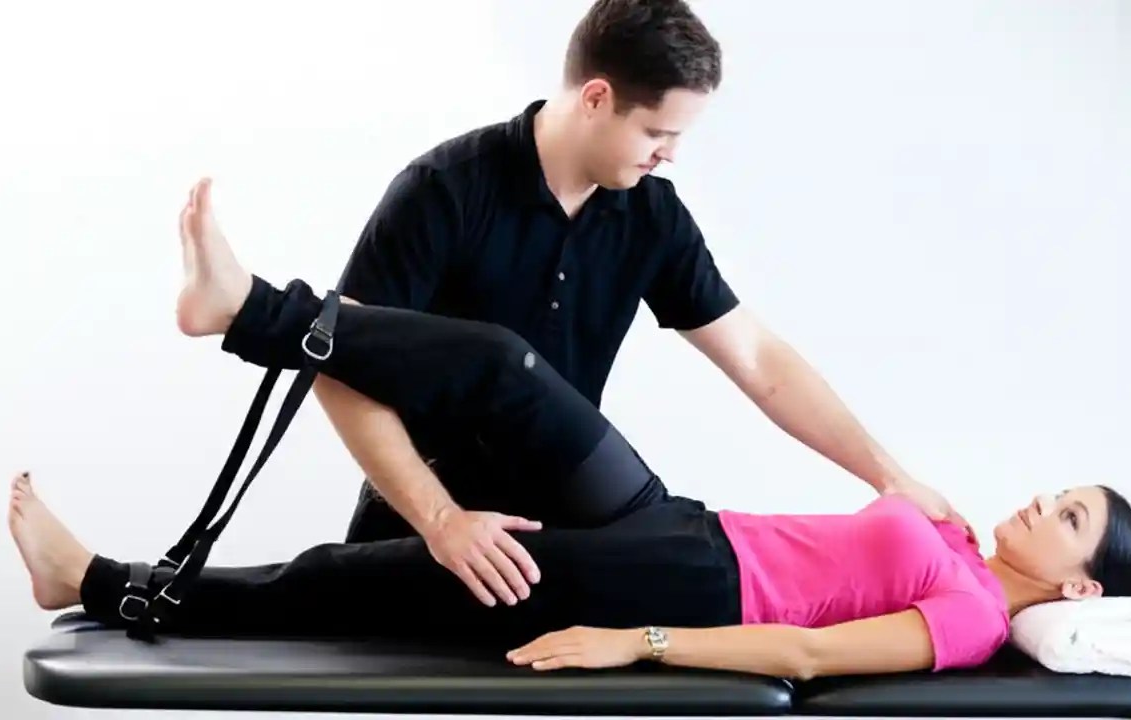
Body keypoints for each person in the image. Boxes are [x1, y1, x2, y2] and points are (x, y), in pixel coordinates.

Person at [7, 178, 1131, 679]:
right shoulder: (959, 544)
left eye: (1066, 518)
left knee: (378, 581)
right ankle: (254, 310)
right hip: (683, 532)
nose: (1037, 503)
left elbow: (804, 656)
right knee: (510, 366)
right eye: (1058, 491)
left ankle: (103, 581)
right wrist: (901, 479)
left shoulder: (964, 617)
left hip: (684, 589)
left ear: (1077, 591)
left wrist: (634, 642)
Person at [314, 0, 969, 611]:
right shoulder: (445, 191)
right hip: (428, 519)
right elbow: (340, 364)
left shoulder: (652, 215)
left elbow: (759, 360)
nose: (671, 153)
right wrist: (439, 520)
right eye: (657, 131)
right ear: (597, 98)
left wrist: (889, 479)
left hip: (564, 529)